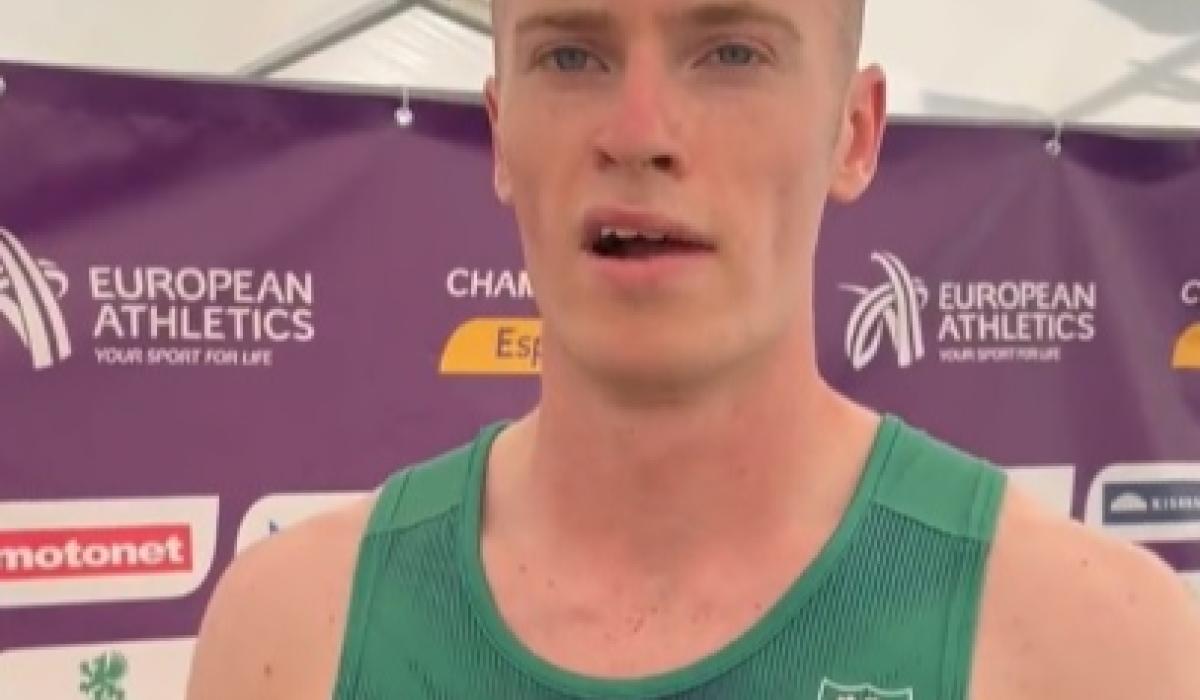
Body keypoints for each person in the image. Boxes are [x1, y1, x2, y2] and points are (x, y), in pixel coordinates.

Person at [186, 1, 1200, 697]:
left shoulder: (1097, 647)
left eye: (731, 51)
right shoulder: (285, 635)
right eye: (571, 53)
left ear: (854, 131)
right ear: (500, 133)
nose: (640, 131)